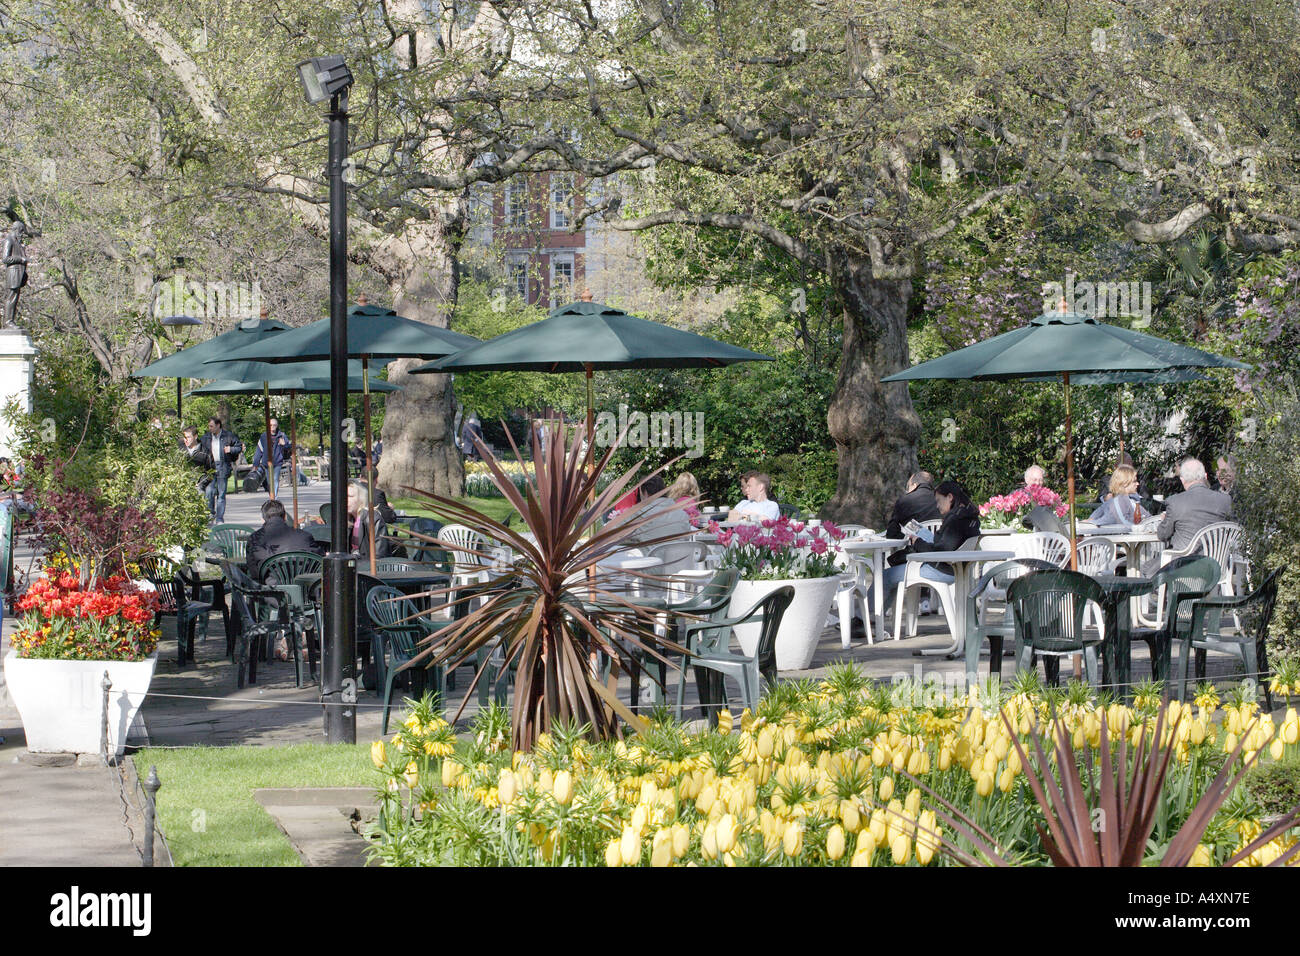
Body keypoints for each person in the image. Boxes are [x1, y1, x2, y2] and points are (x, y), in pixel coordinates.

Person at [869, 479, 981, 613]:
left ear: (950, 497)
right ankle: (873, 619)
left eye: (939, 501)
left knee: (885, 576)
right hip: (956, 568)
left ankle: (865, 620)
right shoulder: (969, 516)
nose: (937, 506)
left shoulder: (956, 519)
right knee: (891, 575)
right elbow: (947, 545)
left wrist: (917, 543)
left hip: (941, 569)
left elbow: (941, 552)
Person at [1142, 457, 1233, 575]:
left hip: (1181, 566)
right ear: (1205, 477)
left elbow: (1162, 535)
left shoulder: (1175, 502)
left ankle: (1166, 593)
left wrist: (1167, 521)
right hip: (1215, 565)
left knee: (1146, 568)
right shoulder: (1225, 500)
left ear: (1182, 479)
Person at [246, 498, 325, 582]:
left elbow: (254, 572)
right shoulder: (304, 536)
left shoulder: (255, 539)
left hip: (271, 590)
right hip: (303, 587)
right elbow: (320, 560)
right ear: (285, 516)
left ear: (263, 518)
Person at [885, 471, 942, 567]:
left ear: (914, 485)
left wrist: (906, 535)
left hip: (916, 558)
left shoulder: (905, 501)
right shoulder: (943, 500)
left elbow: (892, 534)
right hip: (942, 555)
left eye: (908, 487)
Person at [624, 474, 692, 545]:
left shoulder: (640, 514)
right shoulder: (683, 515)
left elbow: (616, 534)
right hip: (679, 556)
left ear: (645, 493)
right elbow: (686, 539)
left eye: (640, 494)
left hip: (649, 555)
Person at [204, 416, 243, 523]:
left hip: (223, 466)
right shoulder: (206, 437)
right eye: (209, 426)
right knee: (209, 491)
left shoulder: (228, 436)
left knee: (221, 495)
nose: (210, 428)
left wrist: (231, 449)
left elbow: (239, 447)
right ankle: (211, 512)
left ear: (218, 425)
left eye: (211, 426)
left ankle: (220, 518)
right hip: (210, 468)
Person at [347, 481, 392, 559]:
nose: (346, 500)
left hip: (369, 568)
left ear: (361, 498)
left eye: (350, 496)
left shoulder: (372, 518)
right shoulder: (347, 520)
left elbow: (380, 554)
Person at [252, 418, 292, 497]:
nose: (272, 427)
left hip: (277, 462)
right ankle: (271, 496)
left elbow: (289, 447)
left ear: (277, 426)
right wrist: (255, 465)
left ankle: (274, 498)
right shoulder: (263, 436)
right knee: (269, 482)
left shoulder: (282, 435)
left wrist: (284, 444)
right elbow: (259, 451)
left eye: (274, 425)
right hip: (267, 462)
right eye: (270, 425)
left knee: (275, 479)